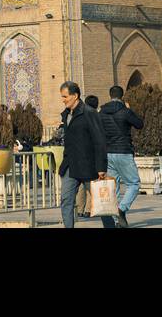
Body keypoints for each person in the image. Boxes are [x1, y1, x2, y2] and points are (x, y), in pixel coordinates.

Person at [57, 81, 107, 229]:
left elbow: (100, 141)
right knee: (66, 200)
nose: (63, 99)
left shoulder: (89, 113)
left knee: (101, 203)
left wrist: (101, 167)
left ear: (75, 96)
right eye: (62, 96)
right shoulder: (66, 114)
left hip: (88, 166)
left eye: (65, 96)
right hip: (70, 165)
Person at [97, 85, 143, 227]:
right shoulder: (125, 111)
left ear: (110, 95)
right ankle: (121, 209)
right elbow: (139, 124)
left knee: (114, 187)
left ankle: (117, 221)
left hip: (108, 153)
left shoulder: (101, 112)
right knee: (134, 184)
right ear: (122, 96)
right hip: (123, 151)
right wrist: (129, 109)